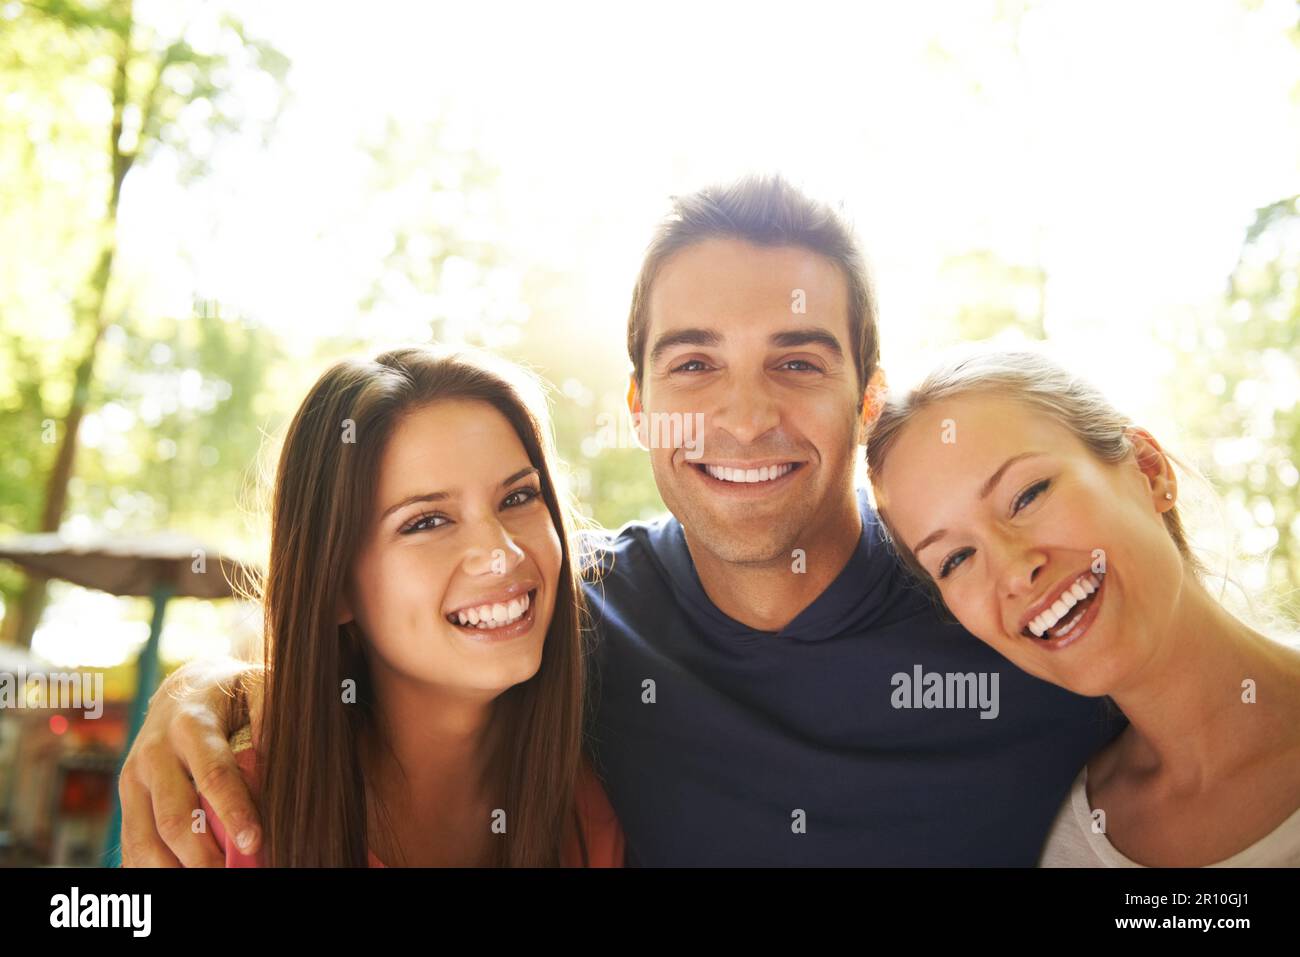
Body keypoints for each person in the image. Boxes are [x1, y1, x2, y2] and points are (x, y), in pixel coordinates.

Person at [119, 175, 1124, 867]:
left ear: (868, 400)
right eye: (693, 364)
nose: (741, 417)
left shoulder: (1012, 614)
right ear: (638, 404)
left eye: (798, 360)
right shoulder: (576, 610)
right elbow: (394, 638)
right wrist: (220, 689)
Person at [866, 348, 1300, 867]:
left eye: (1027, 495)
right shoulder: (1063, 845)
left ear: (1148, 469)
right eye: (956, 558)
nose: (1012, 570)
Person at [195, 346, 622, 866]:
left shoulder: (584, 815)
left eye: (518, 498)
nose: (500, 555)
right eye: (427, 522)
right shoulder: (229, 827)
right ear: (334, 587)